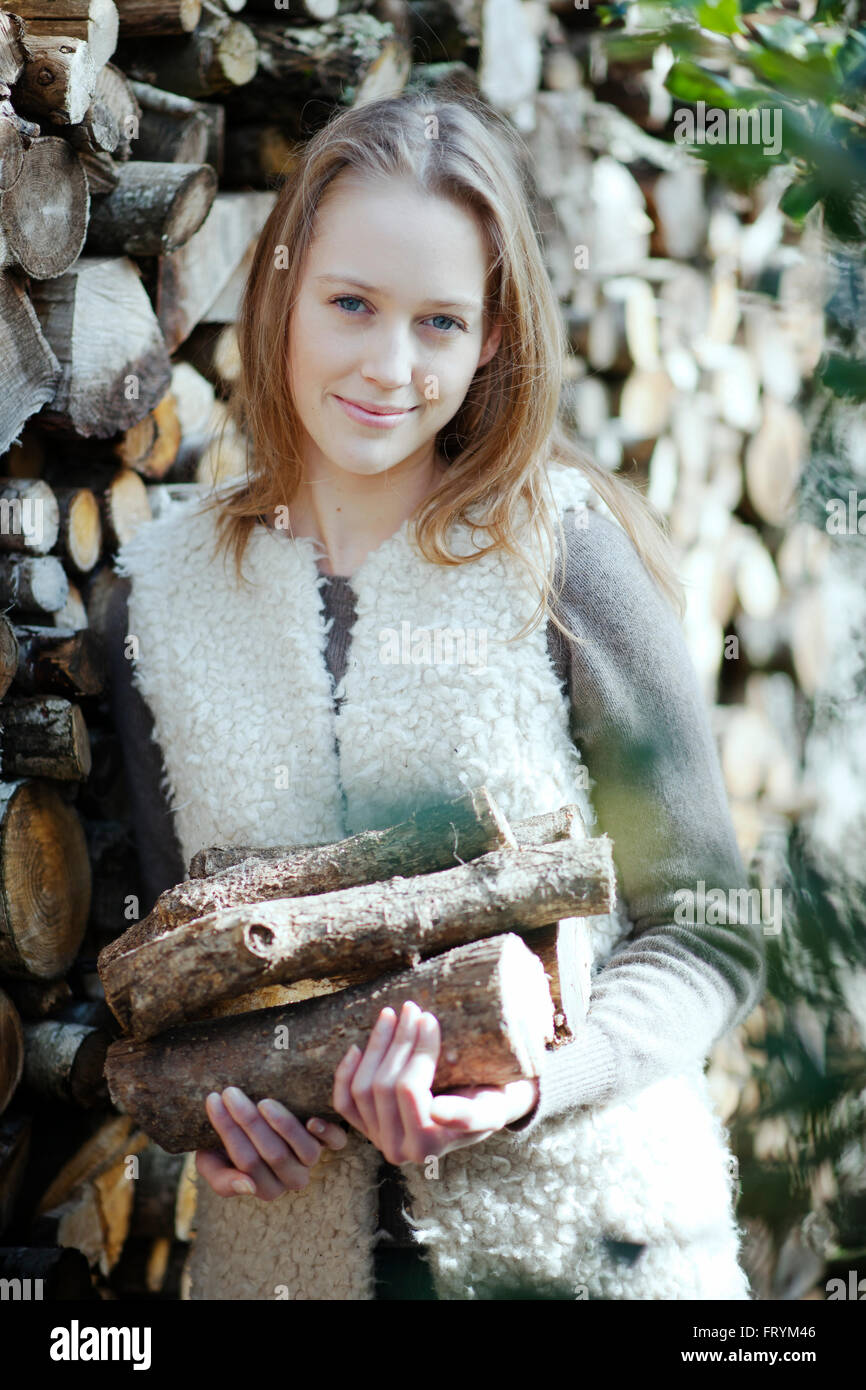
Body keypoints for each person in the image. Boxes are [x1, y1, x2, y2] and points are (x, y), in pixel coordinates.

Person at [105, 91, 766, 1300]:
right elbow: (180, 974)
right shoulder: (160, 595)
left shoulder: (566, 555)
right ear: (283, 291)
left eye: (440, 321)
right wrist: (225, 1123)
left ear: (493, 337)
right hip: (281, 1273)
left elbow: (709, 927)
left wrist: (539, 1085)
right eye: (351, 303)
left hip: (592, 1256)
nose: (389, 366)